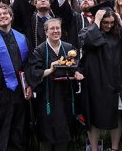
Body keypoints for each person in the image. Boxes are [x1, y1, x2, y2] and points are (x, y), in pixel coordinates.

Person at [0, 3, 31, 151]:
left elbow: (29, 65)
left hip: (20, 93)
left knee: (19, 131)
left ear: (11, 17)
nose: (2, 16)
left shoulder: (22, 38)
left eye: (5, 13)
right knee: (0, 132)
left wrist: (29, 85)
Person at [77, 6, 122, 151]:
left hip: (115, 81)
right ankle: (94, 148)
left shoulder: (117, 34)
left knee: (116, 114)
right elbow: (91, 41)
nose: (109, 25)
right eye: (105, 22)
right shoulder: (87, 31)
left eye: (112, 22)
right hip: (95, 82)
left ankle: (114, 148)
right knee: (93, 116)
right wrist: (97, 22)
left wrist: (121, 23)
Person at [25, 18, 78, 151]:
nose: (55, 31)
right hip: (47, 96)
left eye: (58, 28)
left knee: (64, 128)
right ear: (46, 32)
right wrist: (50, 70)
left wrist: (78, 72)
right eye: (52, 29)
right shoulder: (39, 50)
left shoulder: (68, 48)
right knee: (46, 130)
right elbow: (32, 72)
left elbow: (77, 66)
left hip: (66, 94)